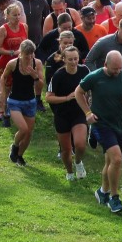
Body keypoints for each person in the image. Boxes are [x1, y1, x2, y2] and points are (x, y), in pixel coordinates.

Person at [76, 50, 122, 214]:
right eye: (114, 69)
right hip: (101, 124)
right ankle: (114, 197)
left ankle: (102, 191)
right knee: (117, 159)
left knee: (110, 162)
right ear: (105, 65)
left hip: (119, 123)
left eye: (120, 68)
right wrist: (88, 113)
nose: (118, 72)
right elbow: (79, 92)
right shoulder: (95, 77)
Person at [45, 45, 89, 180]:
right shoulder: (58, 75)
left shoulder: (84, 71)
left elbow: (92, 87)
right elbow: (48, 97)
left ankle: (78, 162)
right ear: (64, 59)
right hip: (62, 115)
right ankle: (69, 171)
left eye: (76, 59)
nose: (74, 62)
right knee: (66, 150)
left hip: (79, 113)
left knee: (80, 144)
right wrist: (66, 98)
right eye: (70, 59)